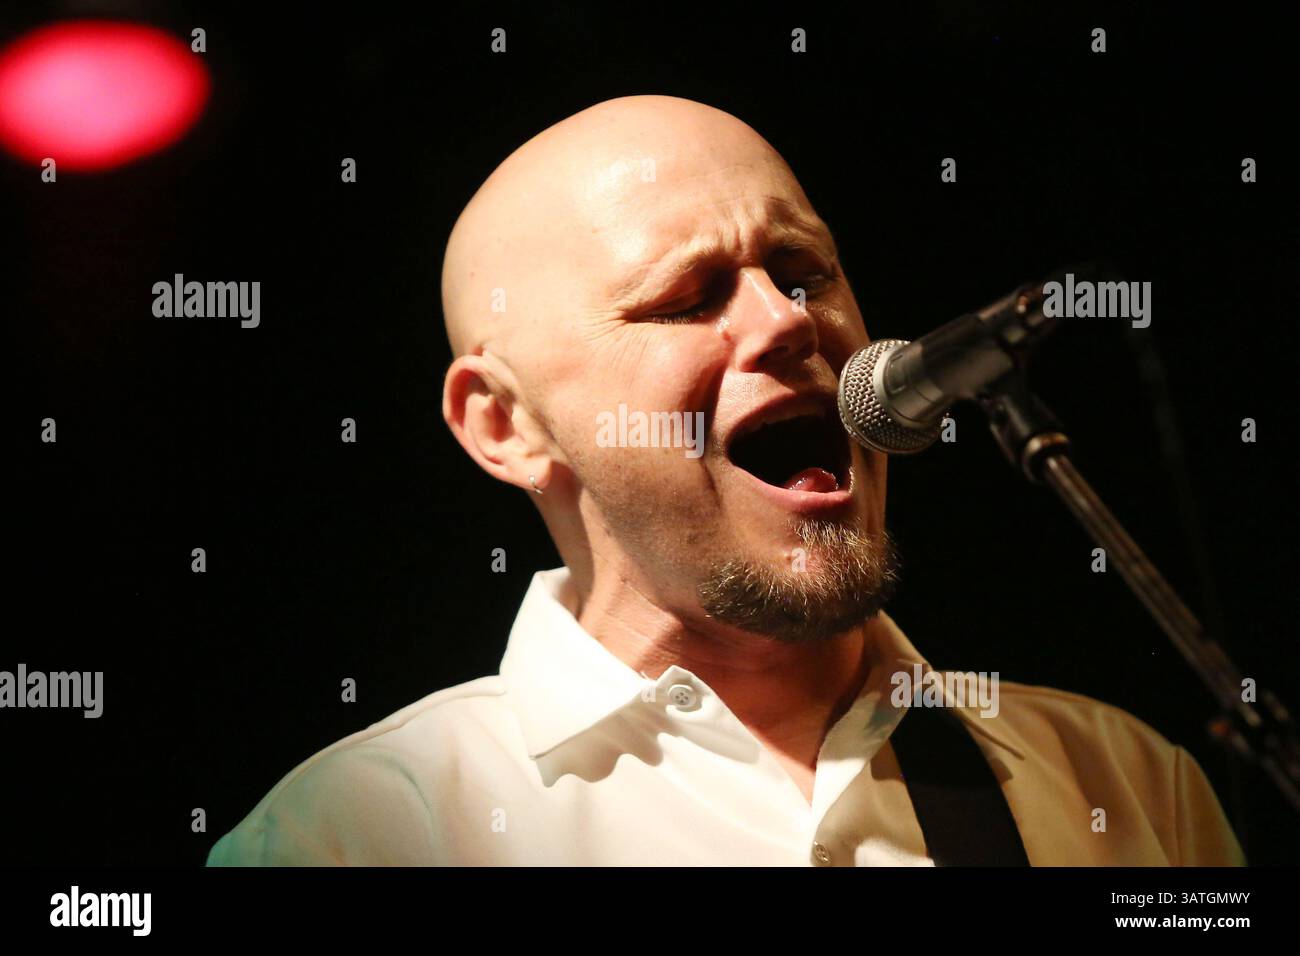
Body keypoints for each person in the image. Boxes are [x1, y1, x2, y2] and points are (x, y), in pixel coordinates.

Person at [207, 95, 1245, 866]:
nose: (790, 321)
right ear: (507, 423)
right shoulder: (356, 834)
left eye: (802, 273)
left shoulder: (1127, 786)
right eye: (687, 296)